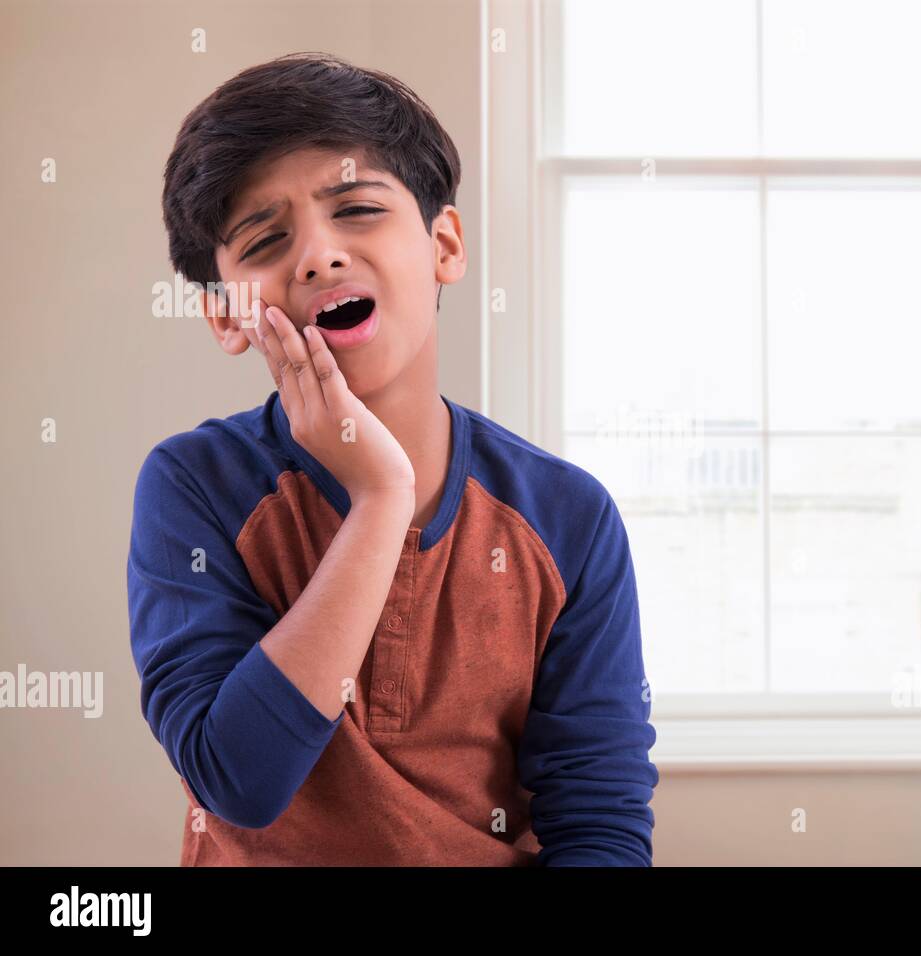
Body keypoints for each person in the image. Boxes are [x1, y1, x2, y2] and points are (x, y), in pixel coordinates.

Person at [127, 52, 657, 866]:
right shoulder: (193, 487)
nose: (317, 256)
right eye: (267, 240)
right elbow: (239, 782)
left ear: (444, 244)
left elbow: (600, 824)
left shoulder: (569, 519)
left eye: (358, 211)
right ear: (225, 318)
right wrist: (379, 502)